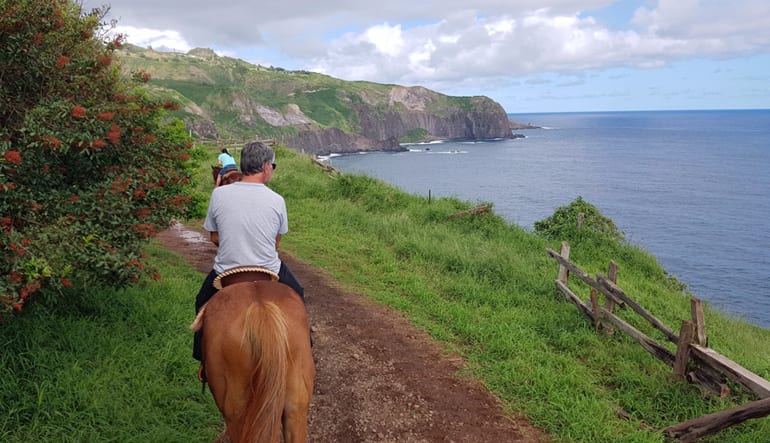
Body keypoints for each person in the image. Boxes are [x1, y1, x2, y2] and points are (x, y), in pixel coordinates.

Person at [193, 141, 305, 369]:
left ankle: (203, 361)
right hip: (268, 269)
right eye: (273, 165)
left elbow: (214, 237)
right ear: (265, 167)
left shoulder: (219, 195)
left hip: (227, 271)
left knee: (201, 302)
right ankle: (305, 351)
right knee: (299, 295)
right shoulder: (277, 200)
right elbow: (276, 244)